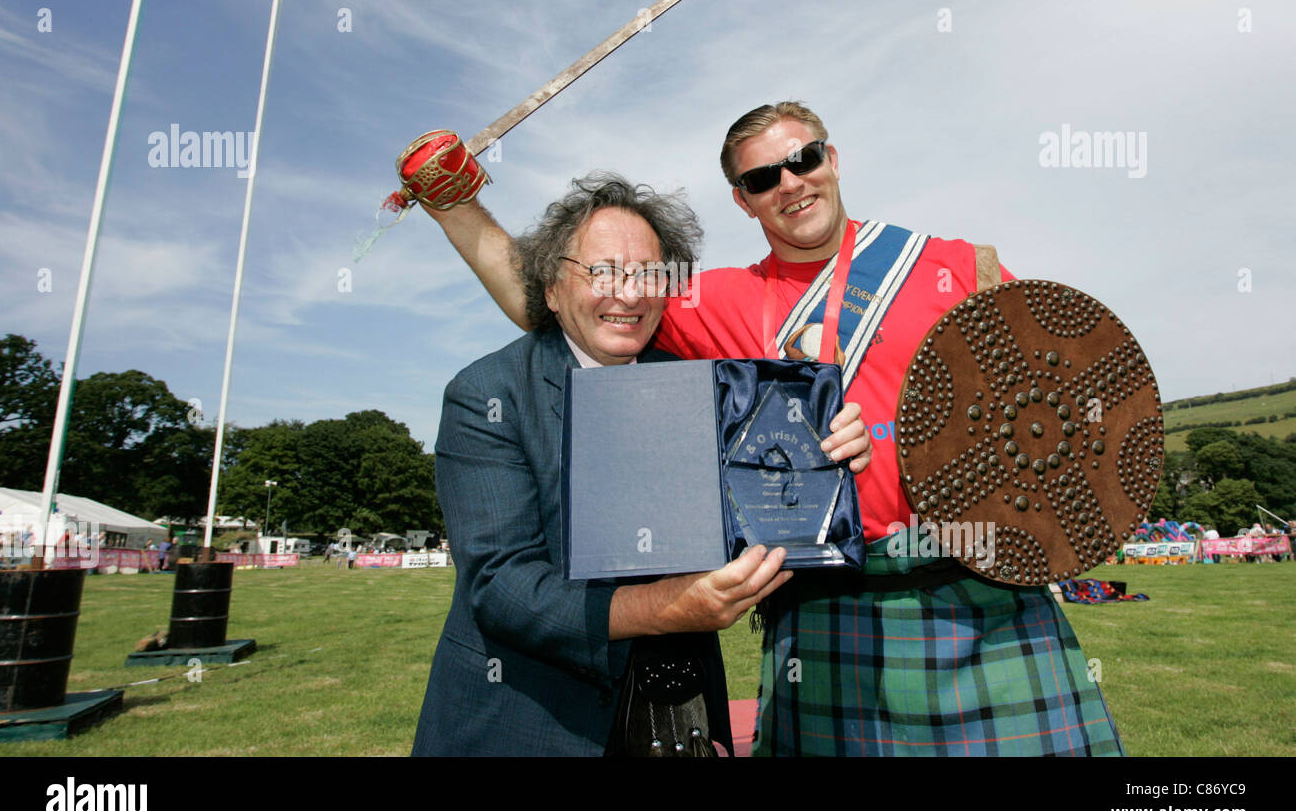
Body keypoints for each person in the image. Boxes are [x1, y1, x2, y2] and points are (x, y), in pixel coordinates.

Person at [419, 101, 1123, 757]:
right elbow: (570, 299)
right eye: (762, 177)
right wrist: (455, 204)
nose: (790, 183)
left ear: (833, 157)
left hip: (973, 585)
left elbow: (1057, 413)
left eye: (804, 159)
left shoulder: (955, 267)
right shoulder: (710, 299)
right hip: (820, 599)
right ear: (743, 198)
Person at [411, 173, 872, 756]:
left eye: (649, 274)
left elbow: (766, 496)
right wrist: (666, 607)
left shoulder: (705, 386)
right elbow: (501, 587)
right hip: (526, 720)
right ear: (552, 288)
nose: (627, 294)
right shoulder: (487, 393)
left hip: (678, 714)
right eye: (601, 271)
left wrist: (832, 452)